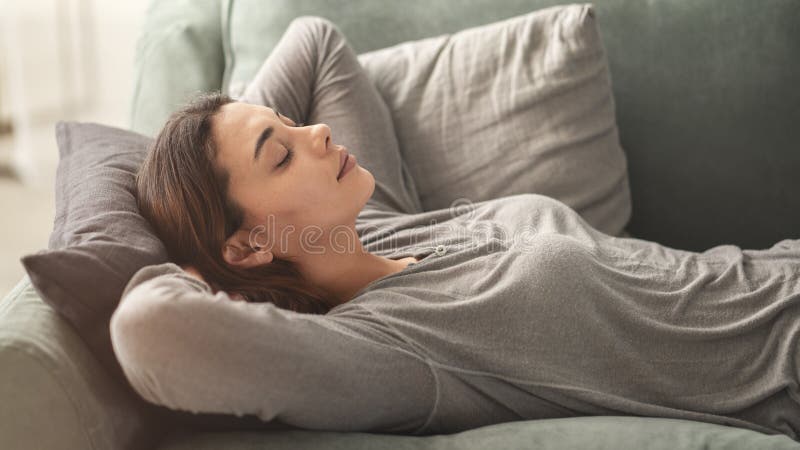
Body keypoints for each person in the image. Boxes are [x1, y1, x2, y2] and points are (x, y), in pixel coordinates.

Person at [111, 16, 800, 441]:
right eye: (284, 152)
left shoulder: (380, 224)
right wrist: (200, 257)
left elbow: (315, 42)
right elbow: (151, 332)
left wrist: (235, 139)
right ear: (248, 245)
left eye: (291, 125)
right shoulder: (387, 351)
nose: (317, 132)